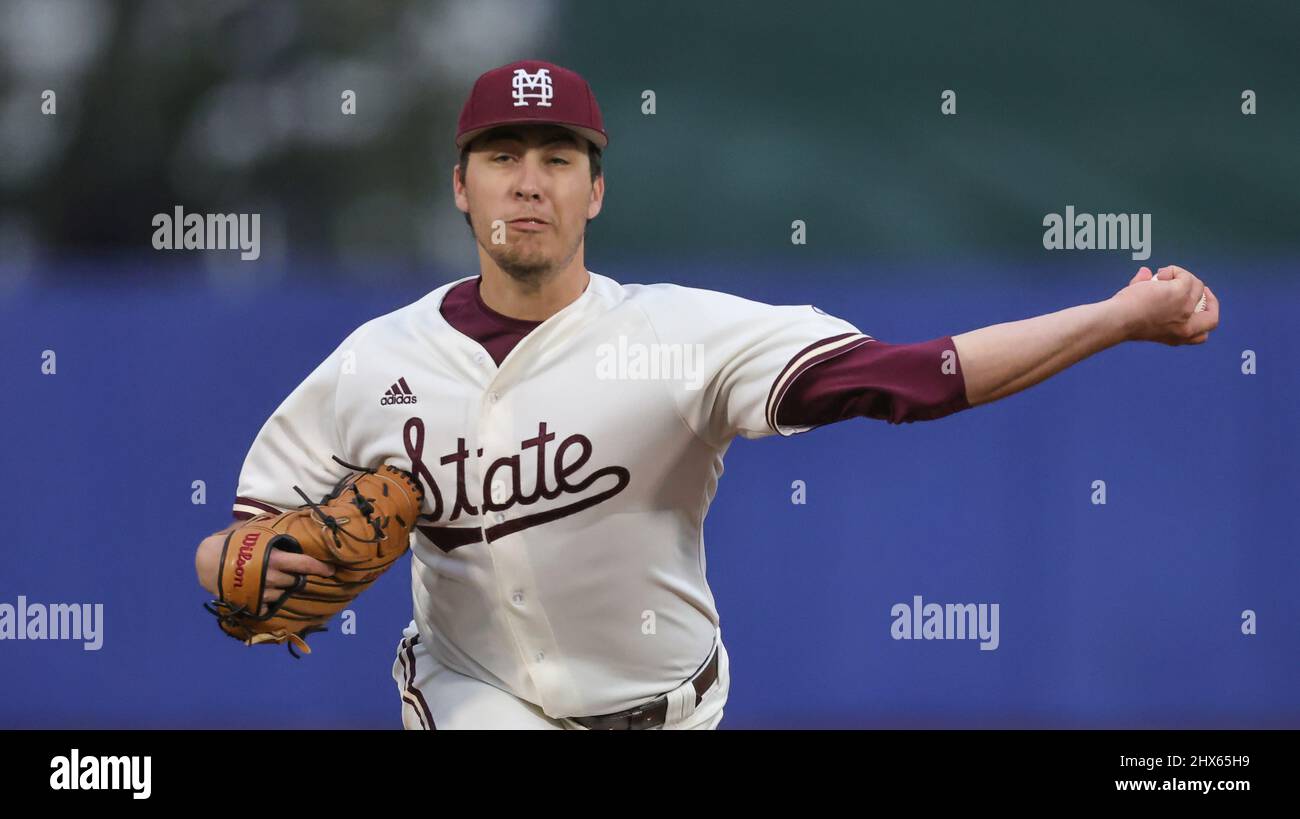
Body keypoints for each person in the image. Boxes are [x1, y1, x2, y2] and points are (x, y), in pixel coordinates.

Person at [195, 59, 1219, 729]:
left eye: (558, 158)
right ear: (460, 186)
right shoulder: (375, 359)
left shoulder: (682, 335)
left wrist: (1116, 318)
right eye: (500, 157)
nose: (528, 181)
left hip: (673, 707)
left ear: (594, 190)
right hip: (465, 701)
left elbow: (910, 382)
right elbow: (234, 538)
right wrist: (255, 567)